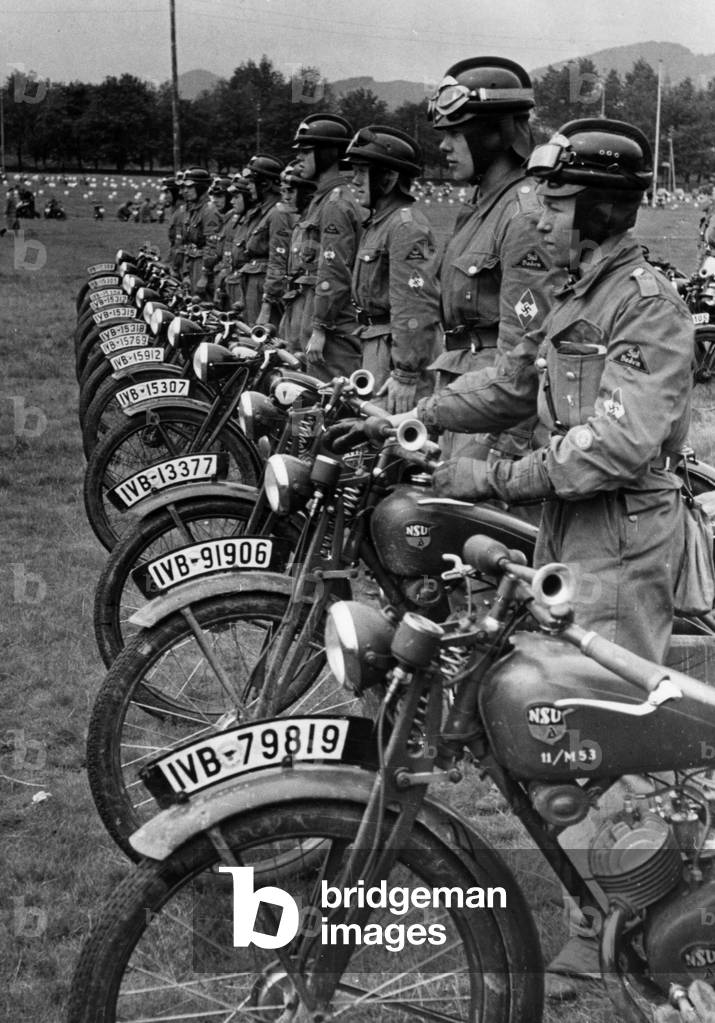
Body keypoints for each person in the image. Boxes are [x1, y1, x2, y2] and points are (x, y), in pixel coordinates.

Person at [421, 119, 693, 996]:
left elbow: (613, 447)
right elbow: (510, 383)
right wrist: (424, 420)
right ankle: (609, 915)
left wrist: (496, 475)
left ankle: (635, 925)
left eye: (561, 201)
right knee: (562, 723)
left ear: (604, 209)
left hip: (617, 531)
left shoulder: (643, 300)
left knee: (598, 731)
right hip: (569, 531)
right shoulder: (580, 292)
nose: (543, 214)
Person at [419, 57, 561, 458]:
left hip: (493, 423)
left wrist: (507, 448)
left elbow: (528, 353)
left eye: (456, 133)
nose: (443, 145)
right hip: (467, 396)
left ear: (492, 135)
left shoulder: (525, 216)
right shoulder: (483, 206)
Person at [344, 125, 441, 412]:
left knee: (393, 440)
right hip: (379, 343)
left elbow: (415, 306)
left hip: (396, 350)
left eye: (363, 172)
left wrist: (406, 371)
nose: (355, 181)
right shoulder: (382, 223)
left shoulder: (405, 227)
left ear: (388, 178)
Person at [291, 113, 364, 379]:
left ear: (327, 153)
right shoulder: (322, 199)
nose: (299, 157)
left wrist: (321, 327)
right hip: (318, 313)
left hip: (334, 325)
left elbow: (334, 270)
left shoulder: (334, 203)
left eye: (306, 151)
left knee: (332, 400)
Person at [257, 163, 316, 332]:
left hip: (307, 301)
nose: (286, 197)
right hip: (292, 298)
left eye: (291, 191)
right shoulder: (299, 221)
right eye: (283, 191)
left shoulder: (310, 222)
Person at [237, 155, 285, 324]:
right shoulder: (260, 211)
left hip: (264, 288)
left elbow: (278, 261)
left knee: (264, 339)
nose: (248, 187)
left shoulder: (277, 213)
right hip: (254, 283)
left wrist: (268, 303)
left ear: (264, 184)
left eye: (252, 182)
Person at [178, 167, 222, 296]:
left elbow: (212, 246)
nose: (185, 191)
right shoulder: (193, 210)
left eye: (190, 187)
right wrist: (186, 272)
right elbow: (188, 244)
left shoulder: (209, 211)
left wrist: (204, 275)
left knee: (203, 305)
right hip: (193, 262)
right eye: (184, 187)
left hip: (204, 265)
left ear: (201, 187)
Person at [197, 176, 234, 298]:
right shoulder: (225, 219)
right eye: (213, 197)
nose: (215, 200)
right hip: (219, 275)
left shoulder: (234, 221)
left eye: (219, 196)